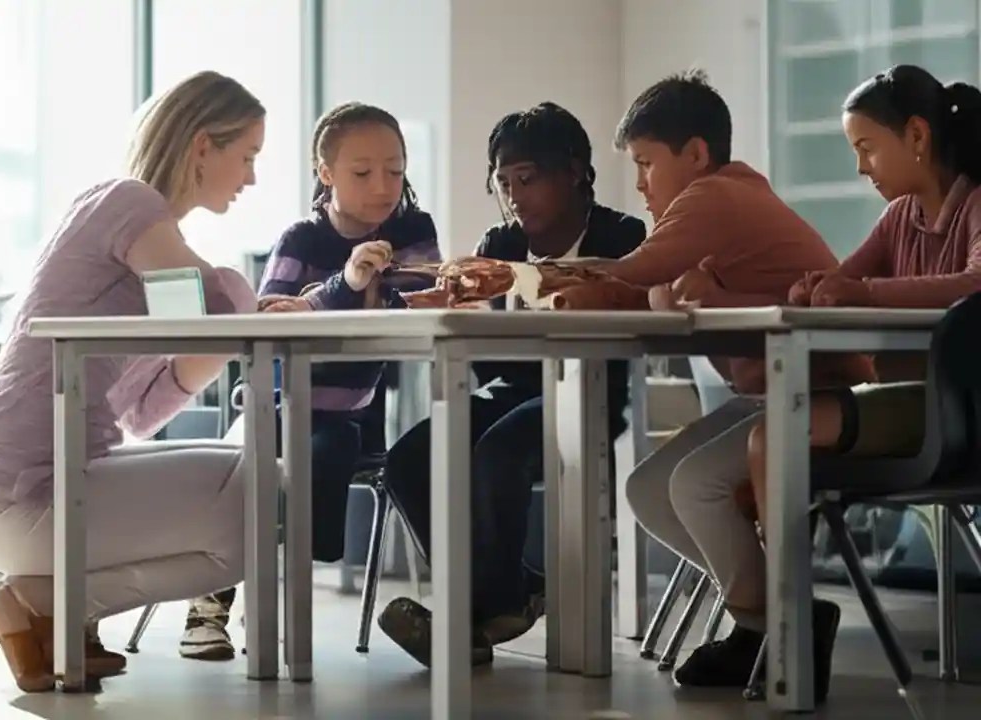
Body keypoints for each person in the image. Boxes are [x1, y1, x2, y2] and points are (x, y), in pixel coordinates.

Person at [0, 70, 266, 692]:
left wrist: (236, 317)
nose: (250, 177)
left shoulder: (146, 240)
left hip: (25, 488)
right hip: (21, 492)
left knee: (259, 491)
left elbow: (145, 409)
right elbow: (211, 313)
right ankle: (51, 607)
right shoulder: (127, 203)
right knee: (263, 487)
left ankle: (41, 604)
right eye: (246, 156)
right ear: (203, 146)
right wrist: (246, 299)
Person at [607, 70, 875, 704]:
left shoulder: (713, 196)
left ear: (696, 154)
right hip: (773, 393)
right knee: (648, 488)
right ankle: (776, 617)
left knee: (691, 483)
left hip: (822, 394)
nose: (641, 183)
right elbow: (654, 288)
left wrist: (534, 279)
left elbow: (631, 275)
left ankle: (771, 624)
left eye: (646, 163)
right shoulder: (718, 203)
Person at [732, 63, 981, 681]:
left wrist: (859, 290)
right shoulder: (900, 219)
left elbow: (977, 284)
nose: (861, 167)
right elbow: (848, 281)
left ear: (917, 138)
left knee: (775, 438)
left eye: (867, 148)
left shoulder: (979, 202)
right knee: (763, 446)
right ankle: (783, 625)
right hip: (917, 403)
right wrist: (819, 287)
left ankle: (789, 638)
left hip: (959, 413)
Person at [375, 102, 645, 668]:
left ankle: (469, 615)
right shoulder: (499, 242)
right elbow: (482, 350)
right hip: (509, 392)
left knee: (498, 451)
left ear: (574, 173)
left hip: (590, 393)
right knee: (409, 457)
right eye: (503, 183)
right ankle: (503, 597)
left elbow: (616, 295)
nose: (514, 196)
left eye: (526, 179)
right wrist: (451, 304)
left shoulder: (624, 234)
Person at [176, 102, 441, 661]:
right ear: (327, 175)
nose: (384, 185)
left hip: (352, 417)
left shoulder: (413, 230)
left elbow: (421, 306)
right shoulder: (301, 240)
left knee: (328, 447)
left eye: (396, 170)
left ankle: (290, 565)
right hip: (274, 405)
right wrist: (347, 285)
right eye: (363, 172)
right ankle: (211, 603)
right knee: (247, 464)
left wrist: (358, 295)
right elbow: (271, 316)